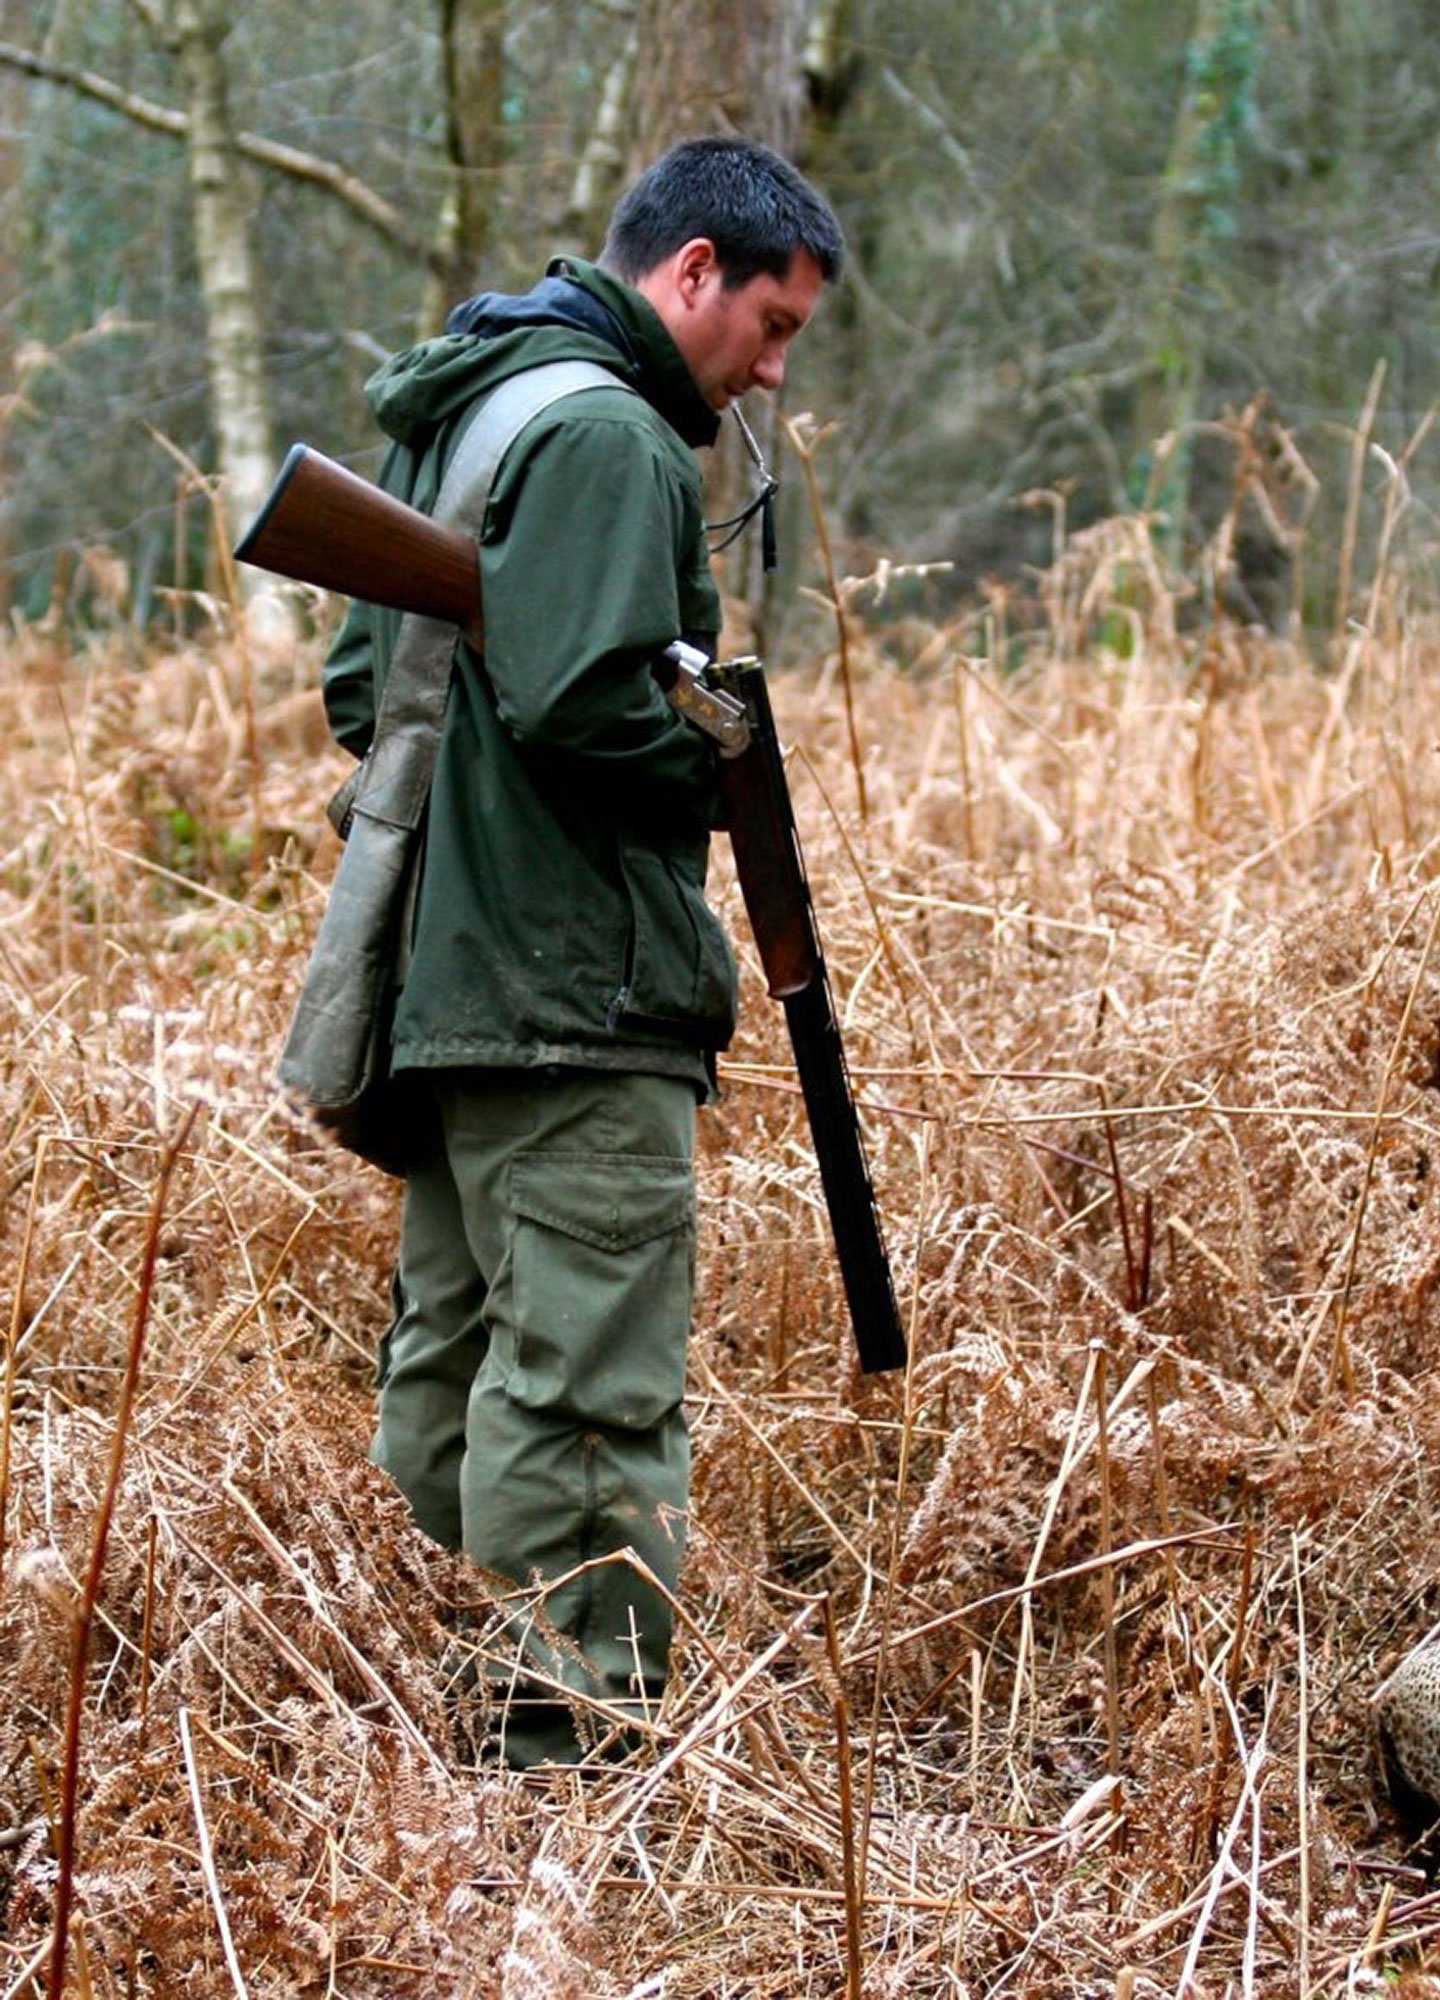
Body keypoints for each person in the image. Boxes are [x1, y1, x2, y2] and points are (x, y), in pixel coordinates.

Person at [318, 137, 843, 1767]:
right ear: (690, 271)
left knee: (461, 1358)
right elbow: (587, 699)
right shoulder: (612, 435)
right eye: (768, 323)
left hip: (449, 980)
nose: (769, 370)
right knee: (588, 1395)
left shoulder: (474, 411)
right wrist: (722, 752)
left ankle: (427, 1736)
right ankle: (565, 1773)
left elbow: (364, 689)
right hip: (574, 989)